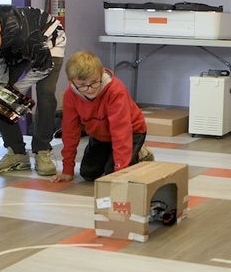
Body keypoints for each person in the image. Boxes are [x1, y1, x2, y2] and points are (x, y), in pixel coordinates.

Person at [0, 4, 67, 176]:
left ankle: (42, 150)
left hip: (47, 39)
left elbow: (43, 67)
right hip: (12, 47)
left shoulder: (22, 35)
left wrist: (17, 89)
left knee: (45, 93)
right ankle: (16, 153)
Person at [49, 51, 153, 183]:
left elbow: (121, 131)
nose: (90, 89)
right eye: (82, 85)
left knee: (112, 174)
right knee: (88, 174)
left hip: (131, 132)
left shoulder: (115, 90)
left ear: (100, 74)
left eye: (94, 82)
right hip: (100, 135)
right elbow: (70, 132)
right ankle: (113, 155)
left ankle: (141, 153)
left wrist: (119, 170)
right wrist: (67, 169)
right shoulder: (70, 95)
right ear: (72, 82)